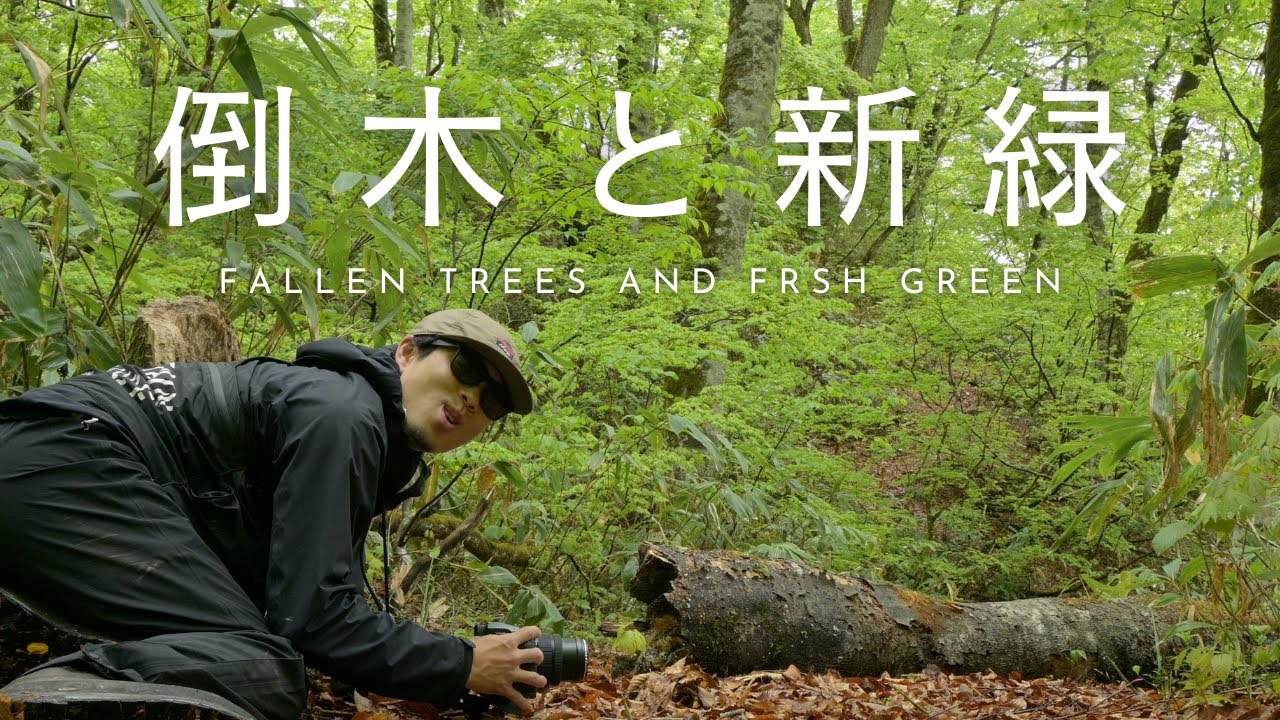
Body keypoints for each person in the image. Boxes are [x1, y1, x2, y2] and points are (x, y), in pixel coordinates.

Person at [0, 309, 548, 720]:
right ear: (407, 351)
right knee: (264, 670)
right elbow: (313, 620)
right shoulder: (342, 417)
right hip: (68, 461)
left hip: (48, 458)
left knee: (249, 651)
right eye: (467, 368)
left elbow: (297, 598)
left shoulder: (351, 416)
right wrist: (458, 663)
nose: (473, 398)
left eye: (493, 402)